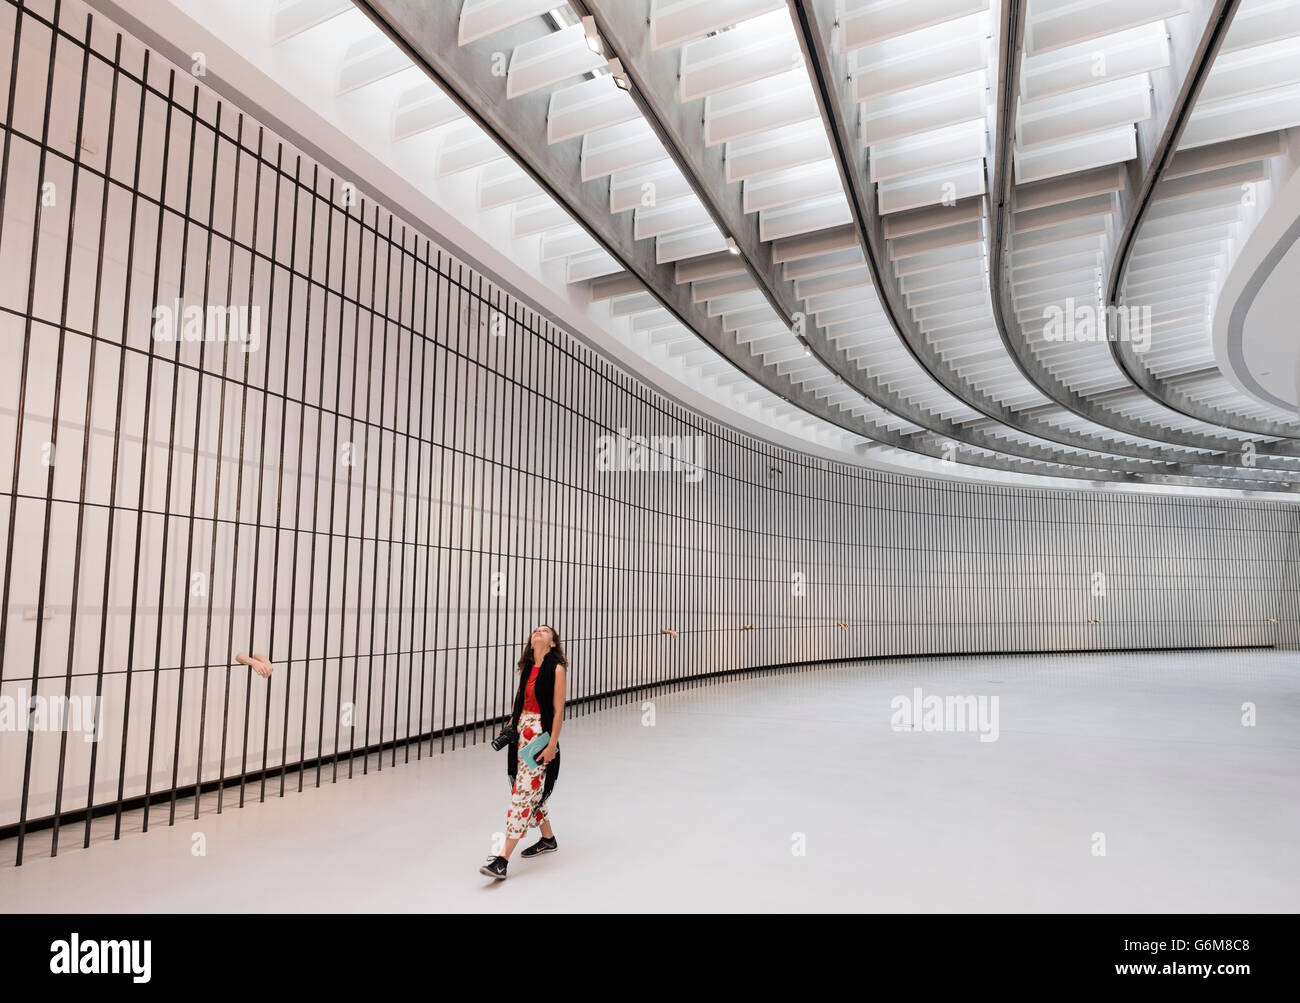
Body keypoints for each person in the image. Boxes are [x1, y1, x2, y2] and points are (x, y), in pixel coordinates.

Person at [479, 624, 567, 880]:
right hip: (520, 732)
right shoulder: (527, 668)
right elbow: (519, 701)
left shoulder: (557, 669)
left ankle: (502, 860)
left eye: (545, 630)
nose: (538, 631)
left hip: (540, 737)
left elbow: (559, 710)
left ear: (552, 643)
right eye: (536, 630)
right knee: (529, 791)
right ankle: (548, 839)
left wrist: (552, 746)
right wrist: (509, 725)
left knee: (522, 796)